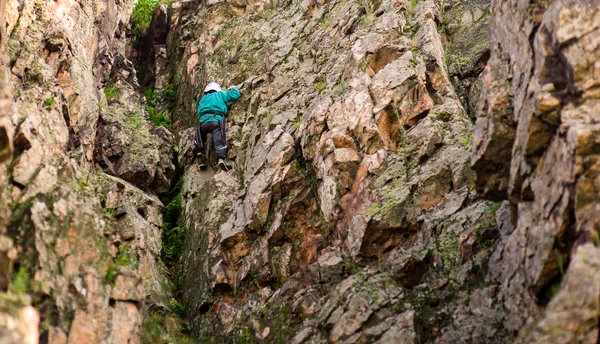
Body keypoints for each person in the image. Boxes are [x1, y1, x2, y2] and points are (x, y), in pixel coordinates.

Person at [194, 82, 240, 171]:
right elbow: (235, 95)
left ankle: (199, 154)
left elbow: (199, 112)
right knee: (219, 139)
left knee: (199, 139)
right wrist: (233, 87)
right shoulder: (220, 94)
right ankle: (220, 158)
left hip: (203, 123)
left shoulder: (203, 99)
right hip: (216, 120)